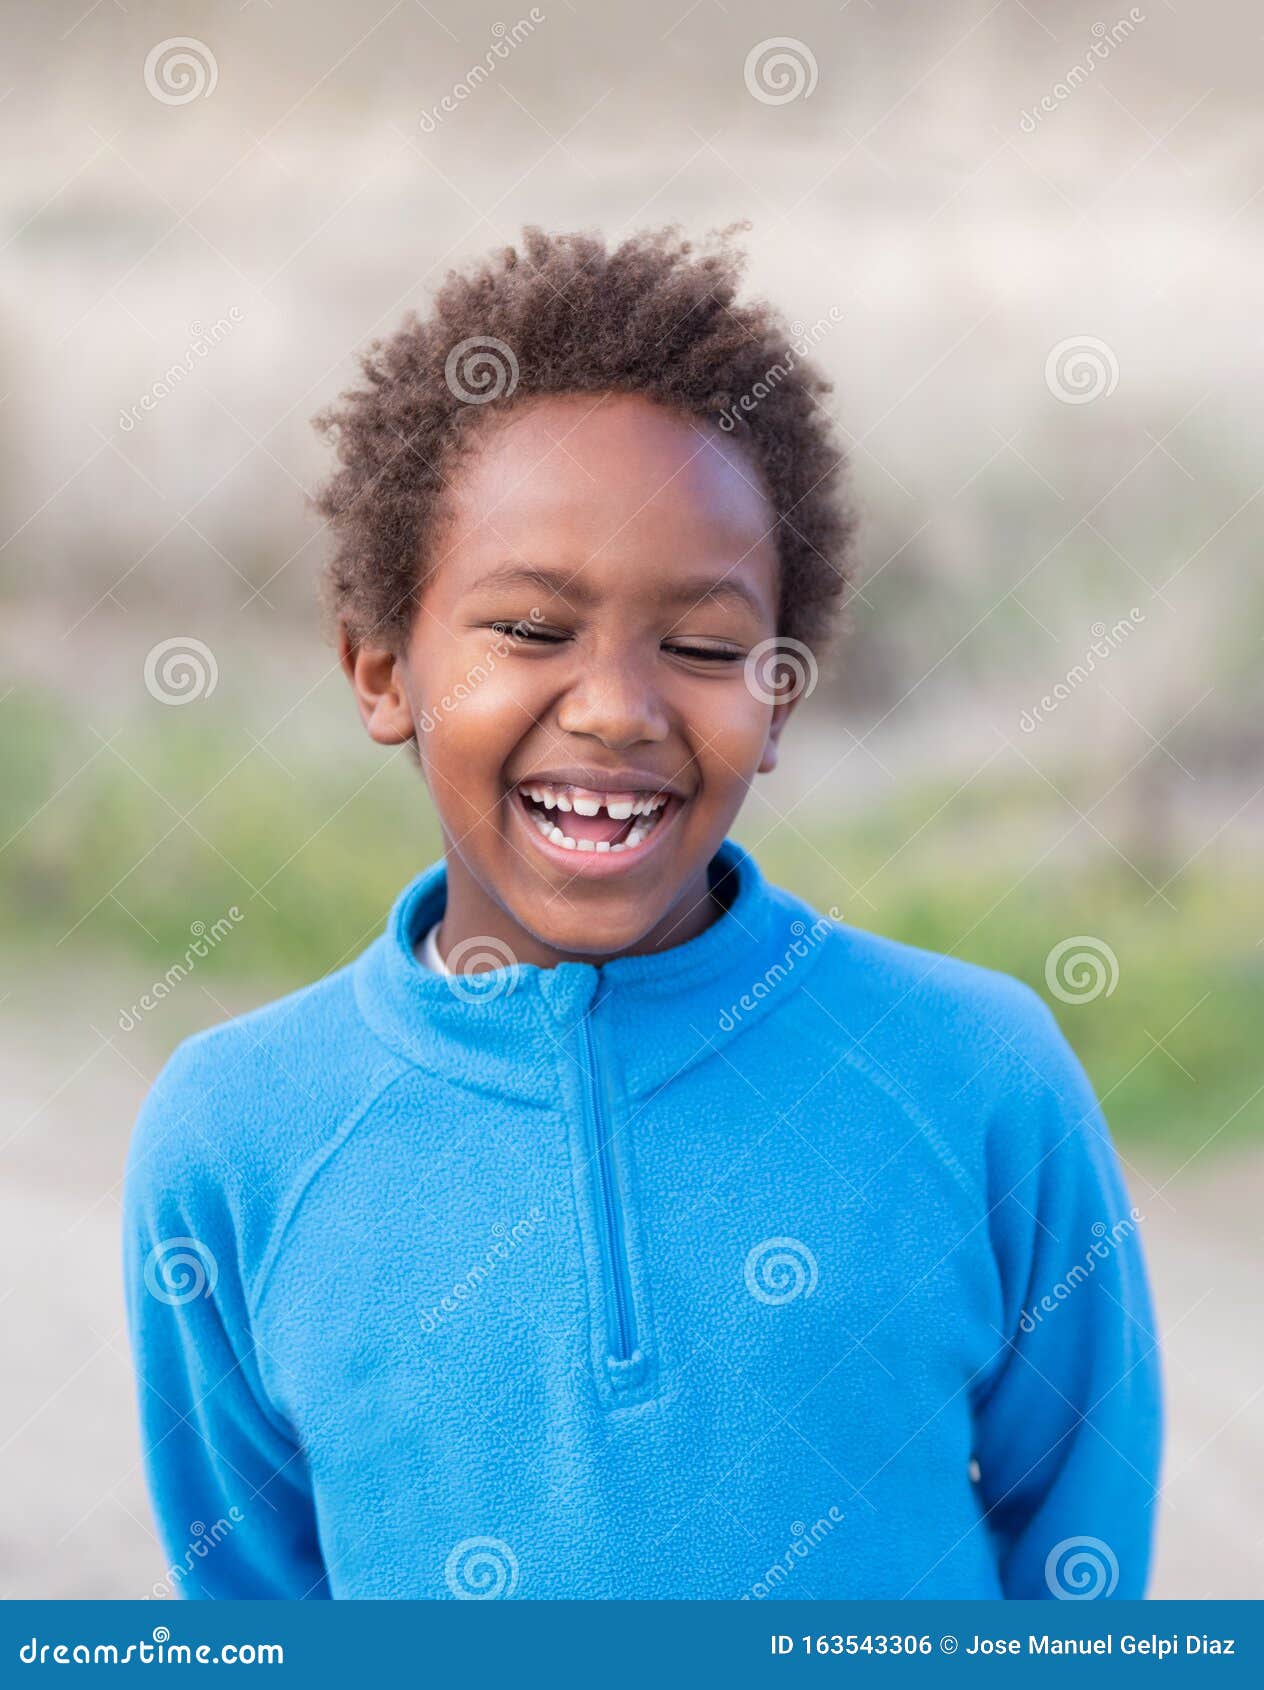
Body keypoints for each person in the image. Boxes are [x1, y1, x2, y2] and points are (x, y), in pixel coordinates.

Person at [123, 227, 1160, 1600]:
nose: (618, 707)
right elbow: (258, 1598)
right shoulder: (236, 1137)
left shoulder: (977, 1076)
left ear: (779, 690)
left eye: (706, 647)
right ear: (380, 668)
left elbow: (1077, 1547)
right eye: (533, 630)